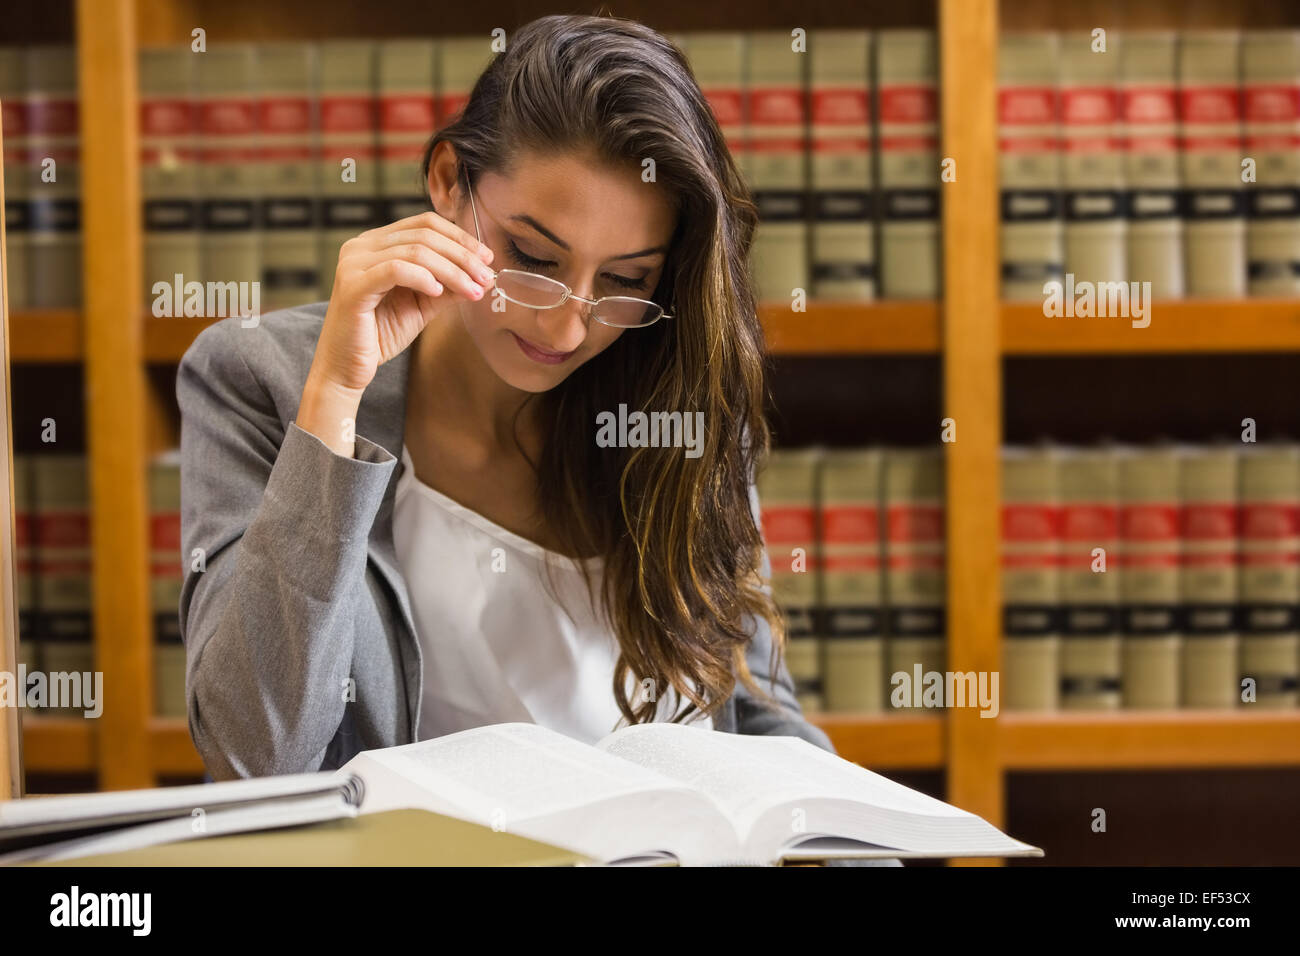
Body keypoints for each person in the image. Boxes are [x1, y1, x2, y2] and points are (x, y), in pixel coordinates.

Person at [177, 13, 902, 865]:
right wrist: (335, 401)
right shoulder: (258, 379)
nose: (567, 324)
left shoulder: (675, 400)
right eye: (534, 256)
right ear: (449, 182)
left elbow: (755, 715)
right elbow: (251, 753)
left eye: (625, 280)